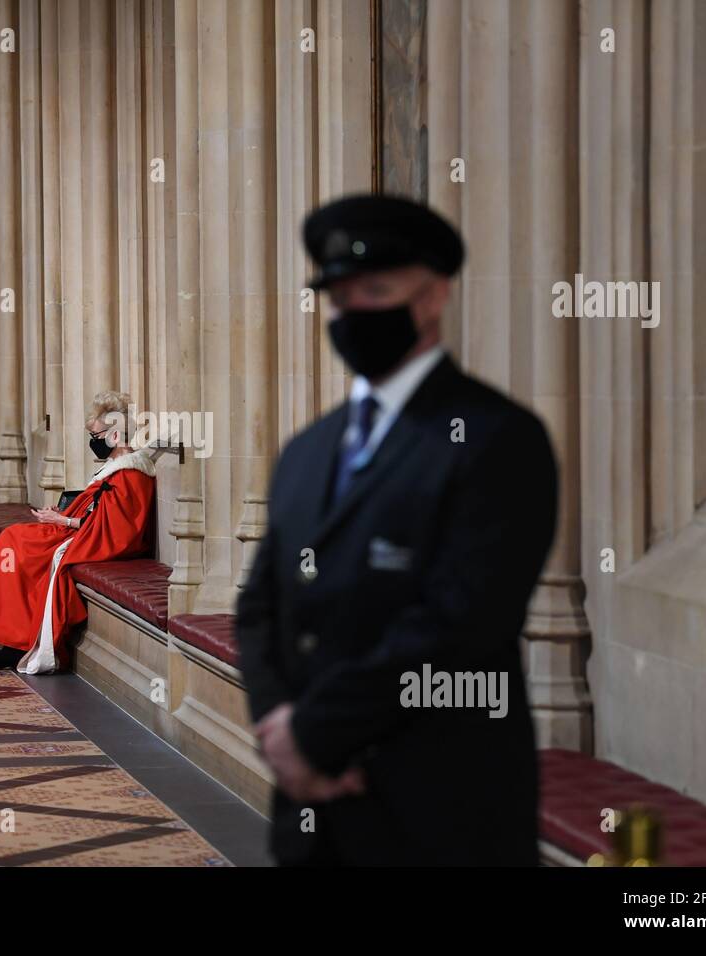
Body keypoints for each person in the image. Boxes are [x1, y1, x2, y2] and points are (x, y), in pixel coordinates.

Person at [236, 194, 558, 866]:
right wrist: (277, 729)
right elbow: (260, 604)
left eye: (376, 290)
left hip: (438, 811)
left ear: (435, 295)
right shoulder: (306, 452)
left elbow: (460, 623)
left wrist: (314, 735)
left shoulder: (496, 439)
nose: (354, 313)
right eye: (339, 297)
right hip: (311, 815)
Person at [0, 392, 156, 674]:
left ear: (115, 434)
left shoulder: (129, 473)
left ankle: (13, 643)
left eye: (95, 434)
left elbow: (115, 530)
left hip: (96, 543)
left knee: (17, 548)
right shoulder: (117, 466)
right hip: (82, 532)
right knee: (11, 541)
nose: (93, 441)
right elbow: (96, 511)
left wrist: (62, 520)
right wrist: (63, 514)